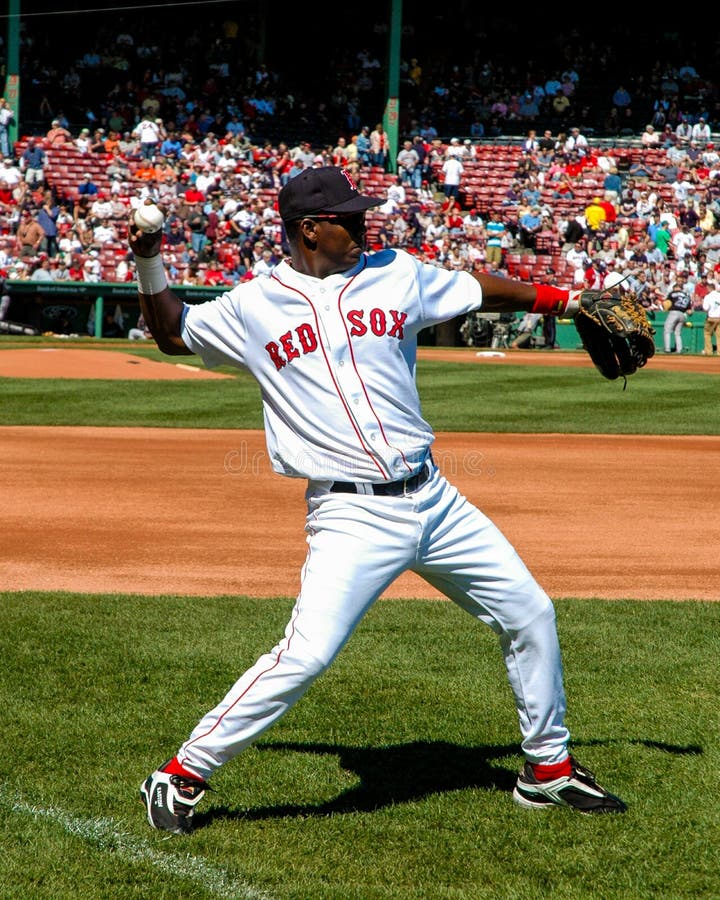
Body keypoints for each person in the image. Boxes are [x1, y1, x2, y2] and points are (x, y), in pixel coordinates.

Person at [129, 167, 626, 836]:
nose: (366, 227)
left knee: (530, 612)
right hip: (351, 515)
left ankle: (546, 770)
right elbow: (170, 331)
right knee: (304, 654)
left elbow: (476, 289)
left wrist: (563, 301)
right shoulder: (254, 305)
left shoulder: (395, 272)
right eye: (350, 220)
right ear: (310, 229)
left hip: (434, 498)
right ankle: (181, 773)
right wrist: (148, 258)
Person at [663, 272, 693, 353]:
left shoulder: (673, 293)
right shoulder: (686, 295)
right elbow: (689, 310)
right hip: (683, 314)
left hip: (674, 312)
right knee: (678, 333)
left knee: (667, 330)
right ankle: (679, 350)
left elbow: (666, 302)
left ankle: (667, 349)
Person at [701, 279, 720, 355]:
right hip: (719, 318)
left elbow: (705, 308)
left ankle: (709, 351)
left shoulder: (708, 296)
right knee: (719, 336)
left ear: (709, 288)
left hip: (711, 318)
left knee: (707, 334)